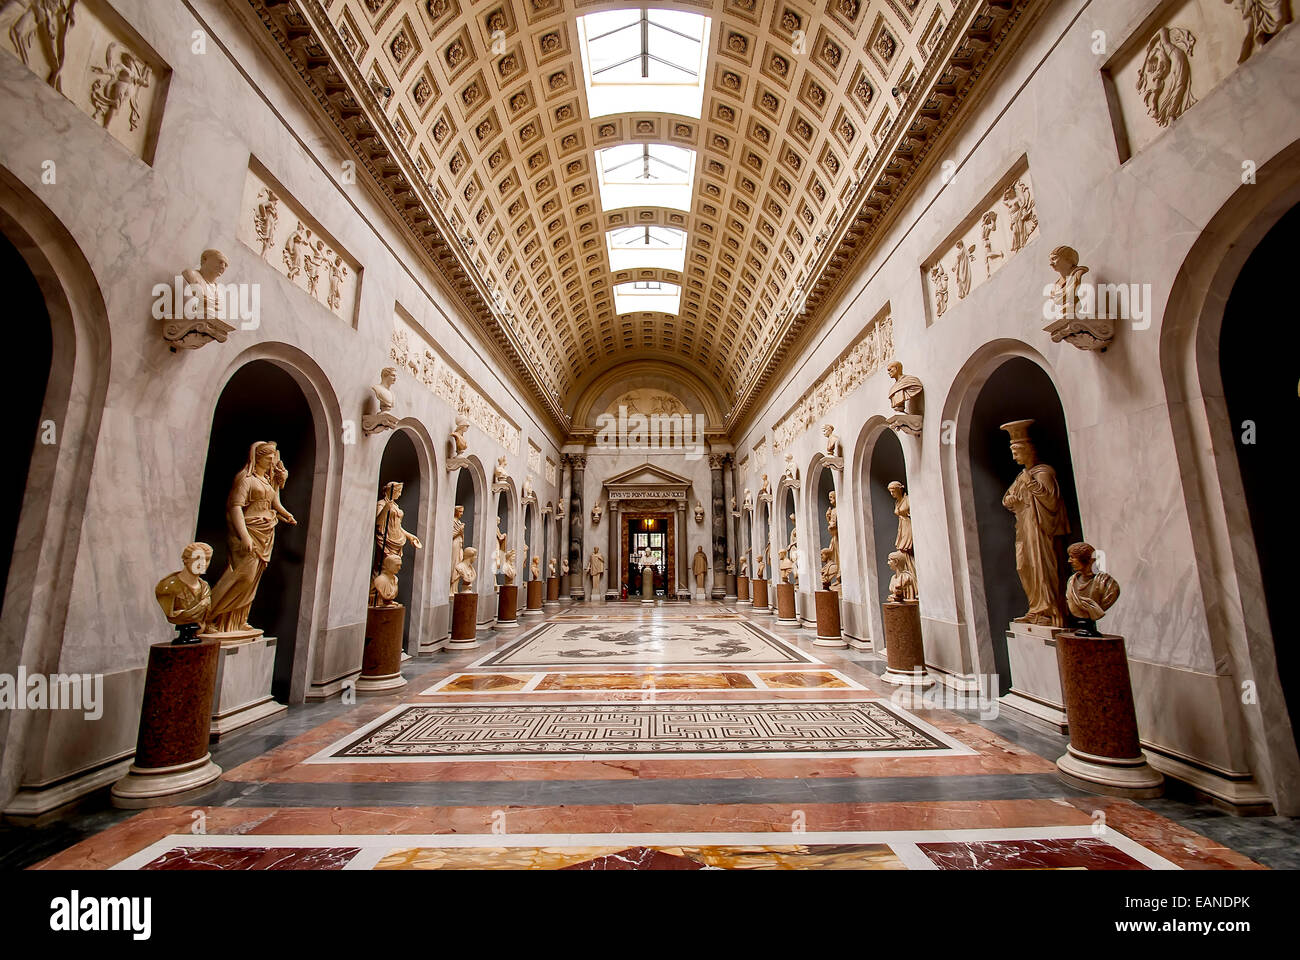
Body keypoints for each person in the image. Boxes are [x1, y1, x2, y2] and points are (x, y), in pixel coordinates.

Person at [204, 441, 296, 637]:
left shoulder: (267, 481)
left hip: (265, 533)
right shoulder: (245, 479)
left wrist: (286, 514)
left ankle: (238, 620)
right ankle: (209, 616)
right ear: (258, 457)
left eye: (273, 456)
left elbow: (274, 502)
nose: (272, 460)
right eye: (268, 456)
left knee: (252, 580)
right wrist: (244, 535)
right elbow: (235, 506)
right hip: (249, 531)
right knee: (241, 576)